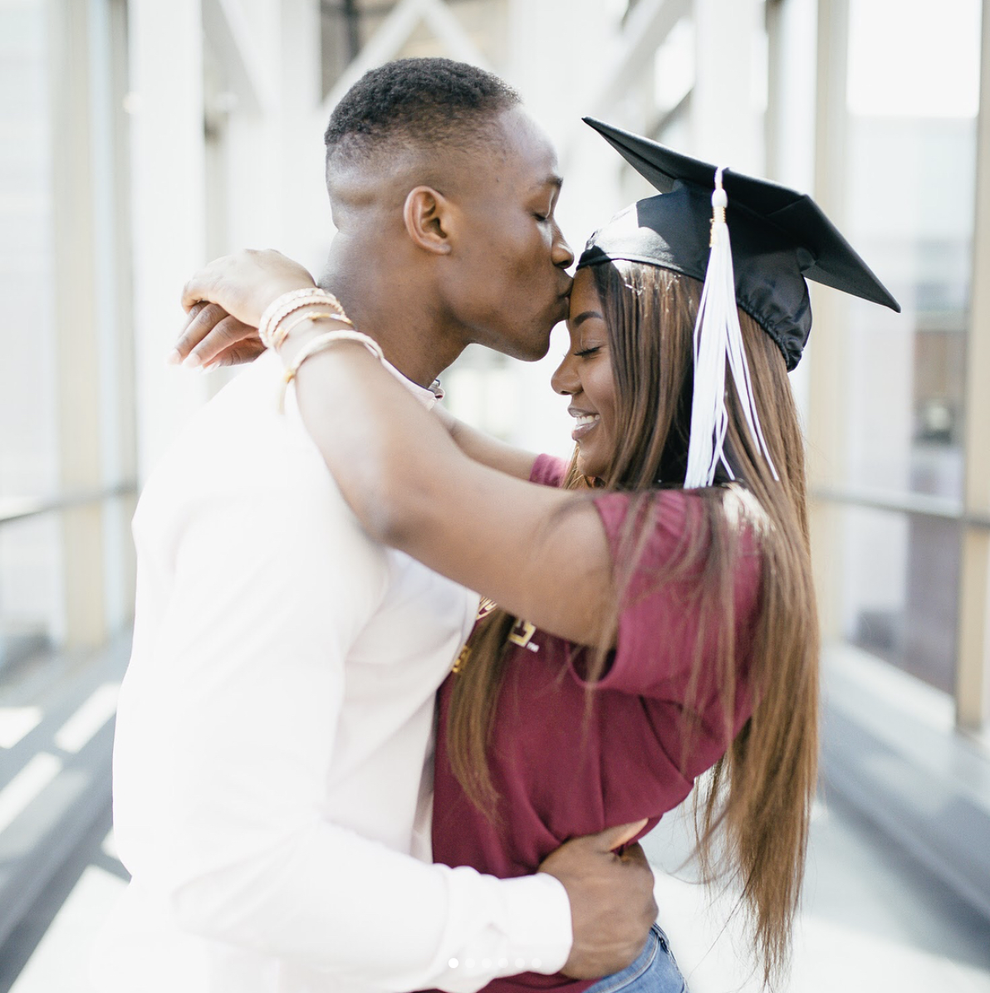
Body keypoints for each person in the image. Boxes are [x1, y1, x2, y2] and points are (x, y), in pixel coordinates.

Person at [178, 120, 900, 992]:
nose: (561, 380)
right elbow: (436, 438)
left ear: (680, 356)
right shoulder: (616, 507)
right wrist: (344, 342)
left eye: (589, 347)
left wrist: (295, 308)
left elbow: (410, 494)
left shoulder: (719, 558)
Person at [91, 62, 659, 993]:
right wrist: (546, 923)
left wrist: (300, 315)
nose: (563, 252)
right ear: (432, 221)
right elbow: (230, 863)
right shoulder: (287, 476)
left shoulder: (393, 436)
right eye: (540, 212)